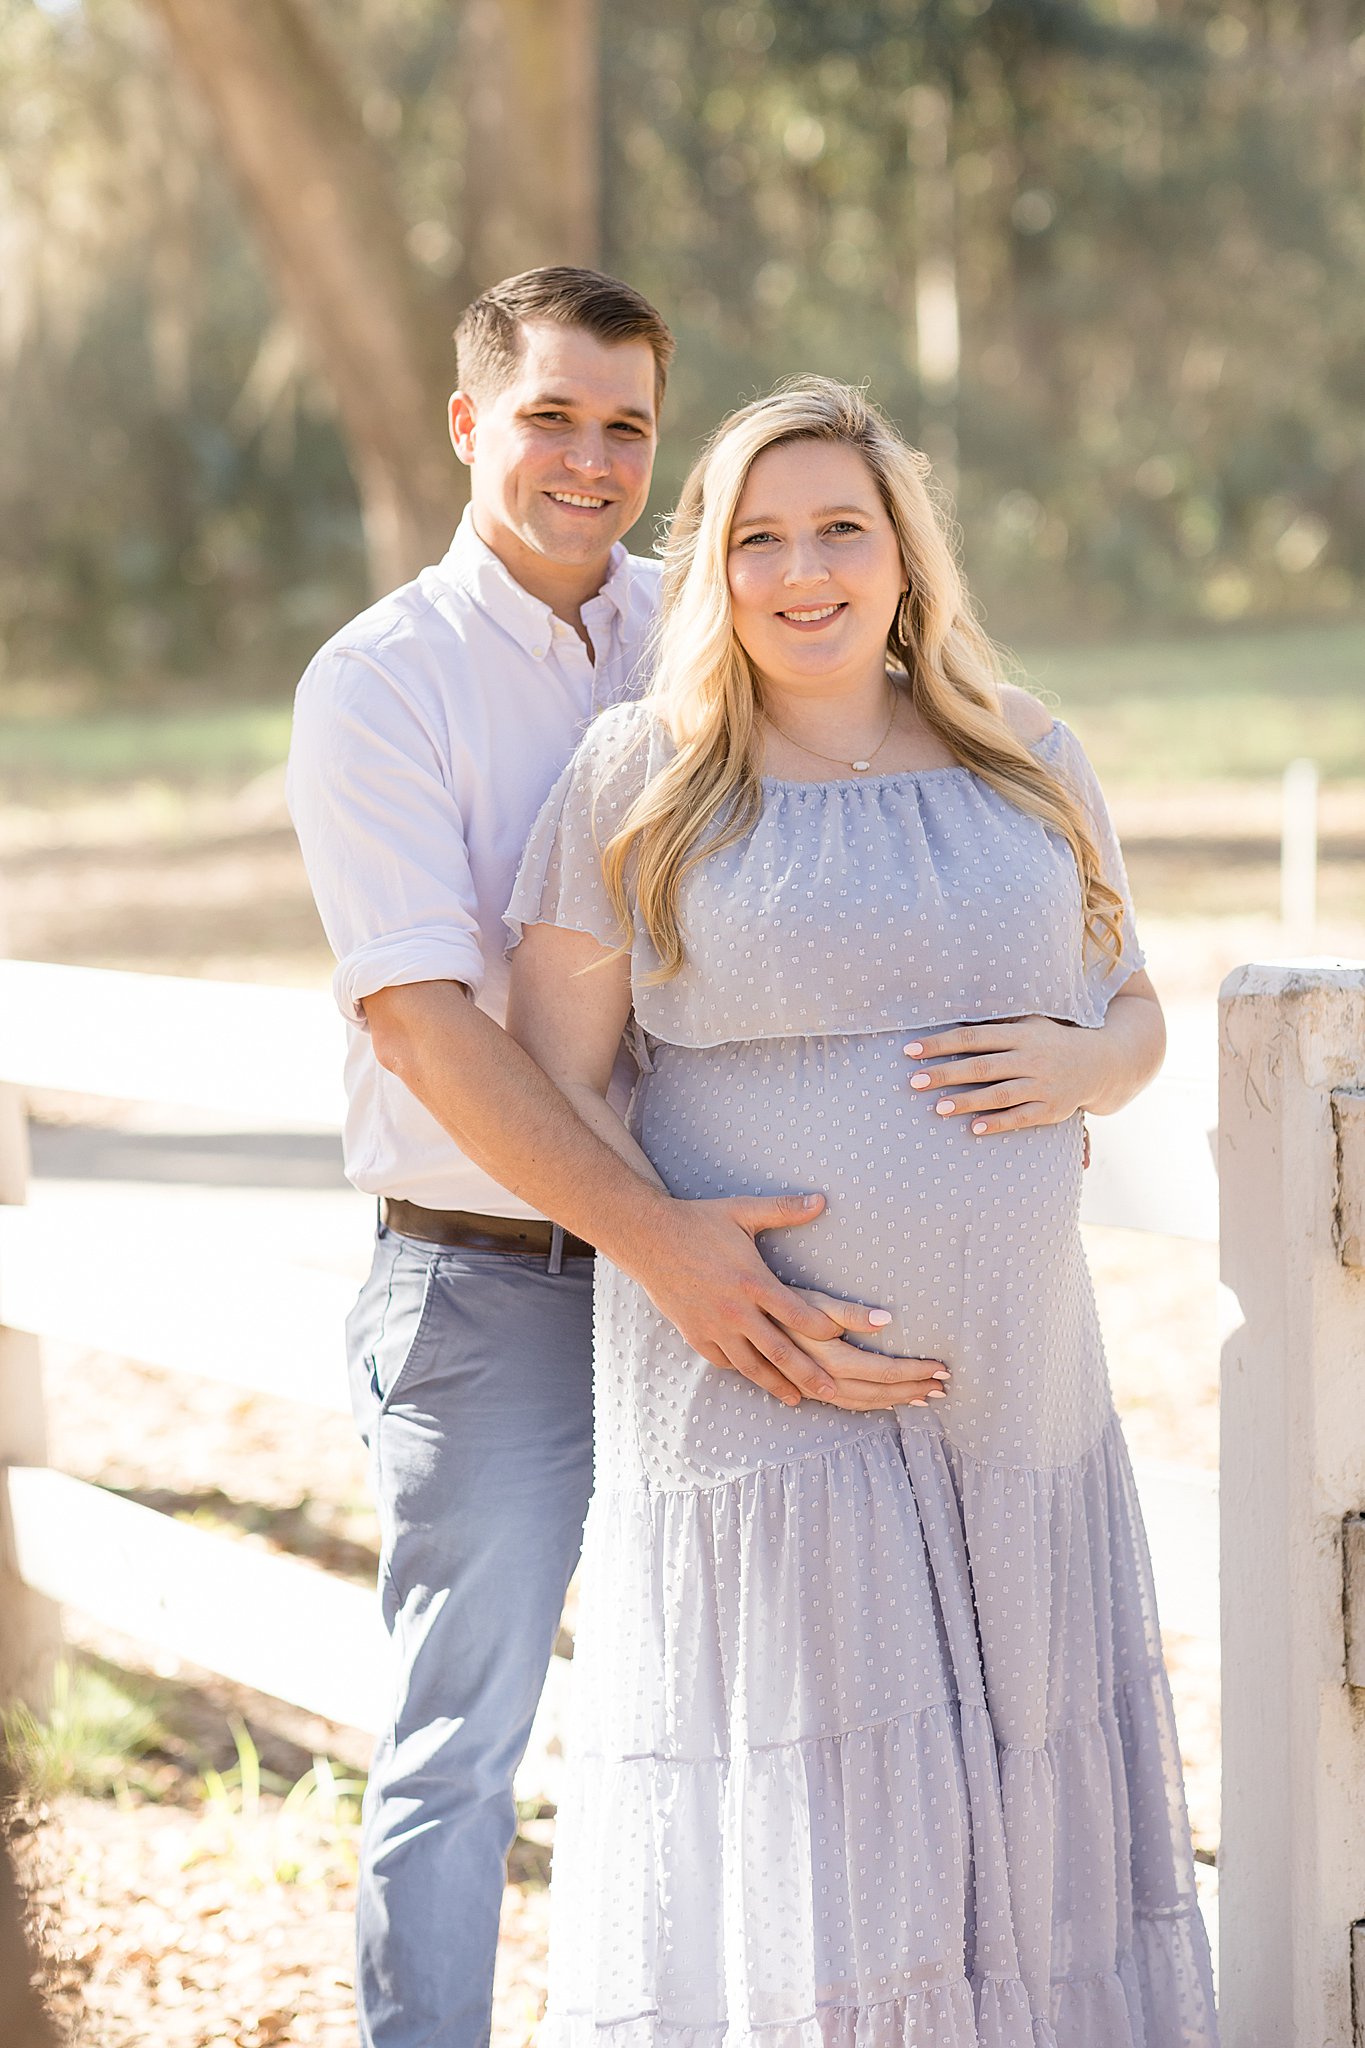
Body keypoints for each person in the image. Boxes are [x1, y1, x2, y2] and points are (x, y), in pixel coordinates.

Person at [505, 377, 1219, 2044]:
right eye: (757, 538)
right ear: (712, 570)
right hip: (755, 1370)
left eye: (840, 528)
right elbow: (553, 1086)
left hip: (1011, 1381)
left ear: (904, 558)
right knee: (828, 1829)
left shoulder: (1024, 752)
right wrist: (697, 1281)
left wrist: (1083, 1069)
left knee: (1011, 1824)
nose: (800, 570)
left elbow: (1133, 1014)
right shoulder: (642, 776)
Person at [287, 274, 937, 2048]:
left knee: (759, 1710)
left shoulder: (701, 623)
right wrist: (661, 1242)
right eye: (552, 417)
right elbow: (426, 1021)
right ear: (466, 426)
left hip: (725, 1275)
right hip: (493, 1282)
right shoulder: (378, 686)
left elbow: (889, 780)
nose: (591, 459)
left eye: (628, 426)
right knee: (462, 1746)